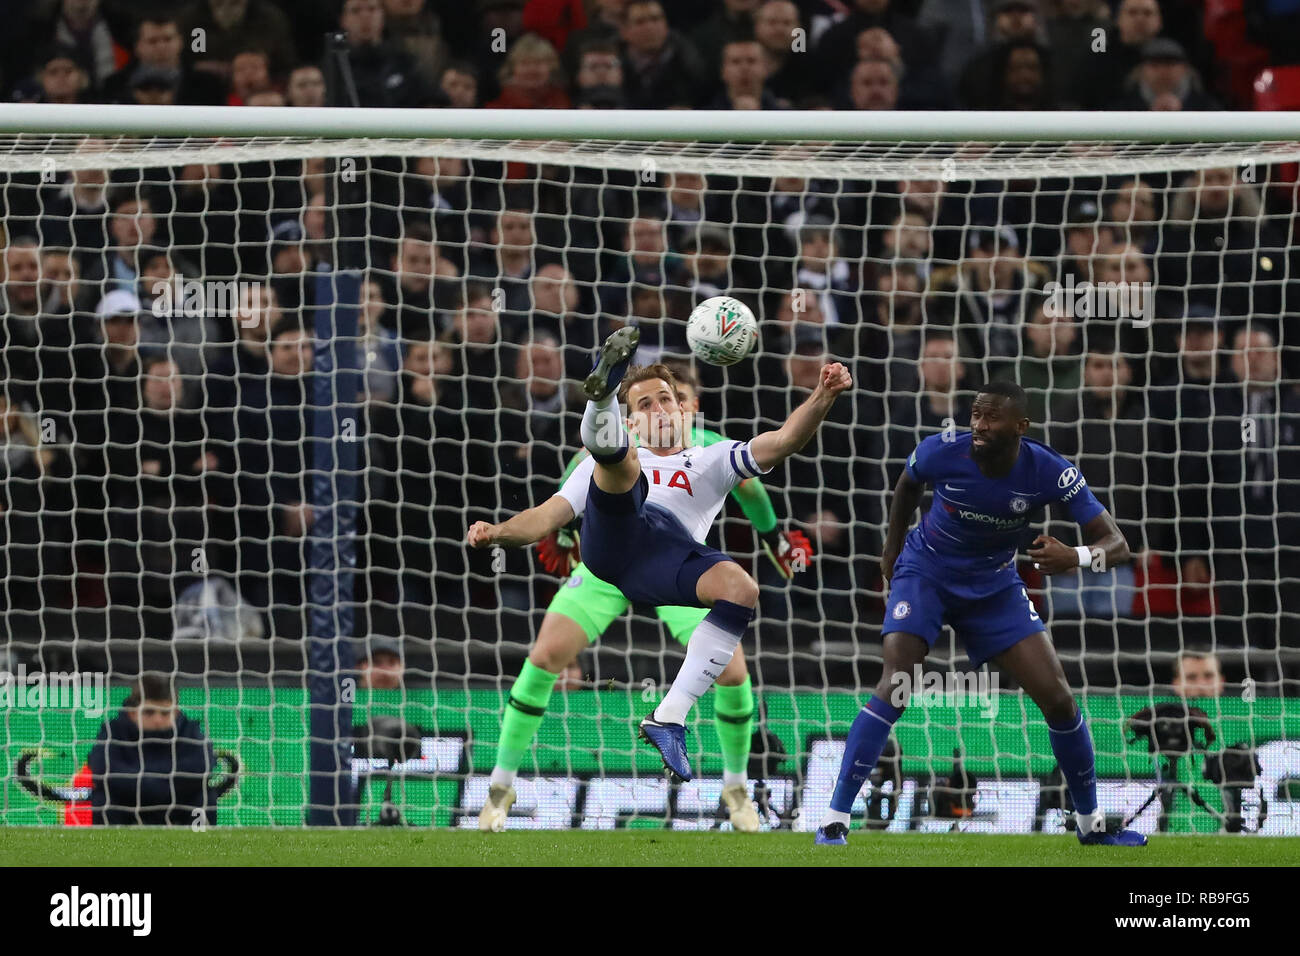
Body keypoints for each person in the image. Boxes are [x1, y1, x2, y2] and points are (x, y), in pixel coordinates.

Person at [469, 327, 852, 782]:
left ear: (685, 407)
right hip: (611, 547)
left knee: (741, 589)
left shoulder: (714, 458)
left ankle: (669, 718)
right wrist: (499, 533)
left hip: (664, 564)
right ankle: (601, 395)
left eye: (666, 399)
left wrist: (823, 395)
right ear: (631, 421)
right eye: (644, 404)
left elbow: (785, 440)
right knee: (622, 465)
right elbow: (546, 517)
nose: (659, 409)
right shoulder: (605, 457)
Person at [816, 381, 1147, 846]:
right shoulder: (942, 450)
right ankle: (834, 820)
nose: (979, 425)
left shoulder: (1049, 470)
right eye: (975, 414)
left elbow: (1117, 544)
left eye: (991, 418)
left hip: (994, 585)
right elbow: (908, 484)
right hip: (926, 571)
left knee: (1059, 701)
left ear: (1020, 426)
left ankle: (1091, 828)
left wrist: (1074, 557)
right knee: (897, 683)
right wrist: (891, 553)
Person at [87, 673, 216, 826]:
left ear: (175, 712)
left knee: (204, 798)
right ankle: (109, 847)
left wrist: (149, 784)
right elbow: (103, 769)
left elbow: (202, 767)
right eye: (149, 712)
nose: (157, 719)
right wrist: (160, 784)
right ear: (133, 712)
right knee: (103, 799)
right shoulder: (113, 731)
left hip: (177, 803)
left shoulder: (190, 731)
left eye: (165, 713)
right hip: (128, 803)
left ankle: (200, 845)